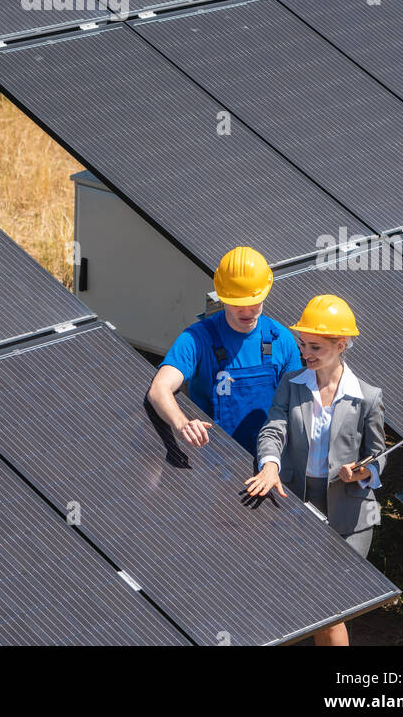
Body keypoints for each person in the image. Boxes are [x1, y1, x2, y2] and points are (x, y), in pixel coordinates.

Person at [244, 294, 386, 647]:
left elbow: (378, 454)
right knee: (301, 604)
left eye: (316, 347)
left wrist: (364, 472)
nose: (306, 352)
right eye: (303, 344)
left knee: (329, 608)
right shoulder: (291, 384)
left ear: (341, 345)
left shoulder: (366, 397)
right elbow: (274, 428)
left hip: (349, 514)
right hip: (296, 503)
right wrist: (270, 465)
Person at [147, 246, 301, 454]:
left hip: (270, 462)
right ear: (222, 296)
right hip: (215, 464)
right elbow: (159, 389)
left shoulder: (280, 338)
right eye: (237, 303)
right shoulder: (197, 339)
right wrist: (183, 424)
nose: (246, 311)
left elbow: (296, 403)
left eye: (253, 302)